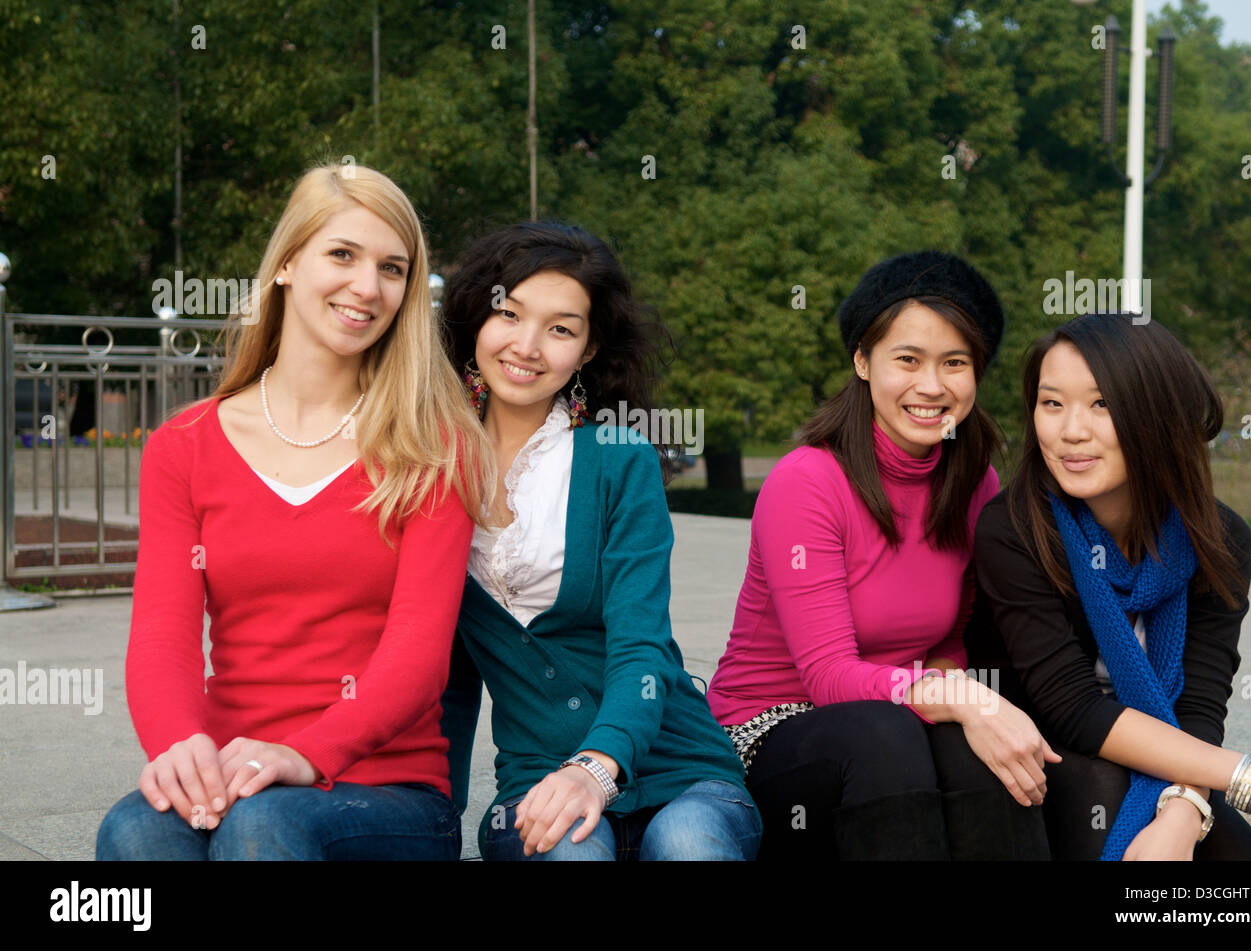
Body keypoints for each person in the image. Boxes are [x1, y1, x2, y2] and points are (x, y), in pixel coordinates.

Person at [96, 163, 492, 860]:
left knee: (261, 831)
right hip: (232, 768)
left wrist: (303, 755)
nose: (367, 287)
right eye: (342, 254)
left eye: (393, 268)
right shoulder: (182, 446)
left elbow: (418, 658)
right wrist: (178, 744)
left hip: (386, 785)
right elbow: (163, 634)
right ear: (284, 265)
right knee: (131, 833)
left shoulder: (435, 445)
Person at [707, 251, 1055, 860]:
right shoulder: (807, 481)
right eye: (908, 360)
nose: (931, 386)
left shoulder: (974, 483)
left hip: (890, 726)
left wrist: (972, 709)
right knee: (888, 730)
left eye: (955, 363)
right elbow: (829, 676)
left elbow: (948, 644)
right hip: (768, 733)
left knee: (982, 753)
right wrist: (968, 699)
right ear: (863, 361)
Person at [438, 221, 760, 861]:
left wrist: (598, 766)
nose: (528, 346)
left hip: (675, 764)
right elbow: (446, 676)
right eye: (509, 315)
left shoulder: (620, 460)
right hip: (536, 775)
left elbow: (641, 645)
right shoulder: (432, 467)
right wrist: (435, 818)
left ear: (586, 352)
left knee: (689, 845)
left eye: (560, 328)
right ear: (478, 319)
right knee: (571, 854)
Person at [970, 313, 1251, 860]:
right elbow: (1071, 707)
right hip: (1035, 764)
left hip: (1163, 763)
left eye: (1102, 404)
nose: (1071, 430)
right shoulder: (1015, 529)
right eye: (1052, 403)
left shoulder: (1216, 538)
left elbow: (1197, 703)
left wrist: (1184, 808)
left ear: (1158, 415)